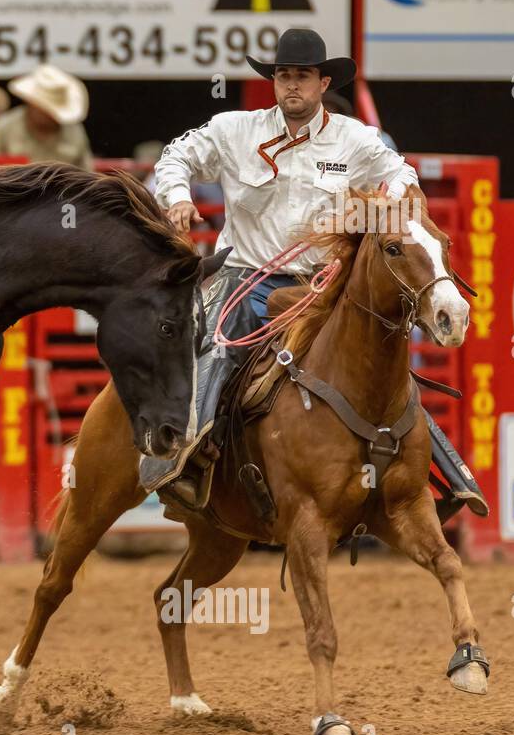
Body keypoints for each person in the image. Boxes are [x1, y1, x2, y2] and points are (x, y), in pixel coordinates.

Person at [146, 27, 483, 518]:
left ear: (324, 83)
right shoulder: (234, 130)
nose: (292, 86)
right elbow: (175, 156)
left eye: (302, 76)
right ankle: (186, 462)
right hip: (246, 276)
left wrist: (383, 212)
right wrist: (176, 197)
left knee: (381, 362)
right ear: (274, 81)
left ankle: (447, 475)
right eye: (284, 76)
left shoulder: (357, 140)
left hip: (321, 287)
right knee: (217, 349)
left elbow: (401, 176)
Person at [0, 64, 93, 170]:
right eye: (44, 109)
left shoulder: (74, 133)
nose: (48, 114)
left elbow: (86, 173)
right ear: (31, 103)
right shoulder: (6, 126)